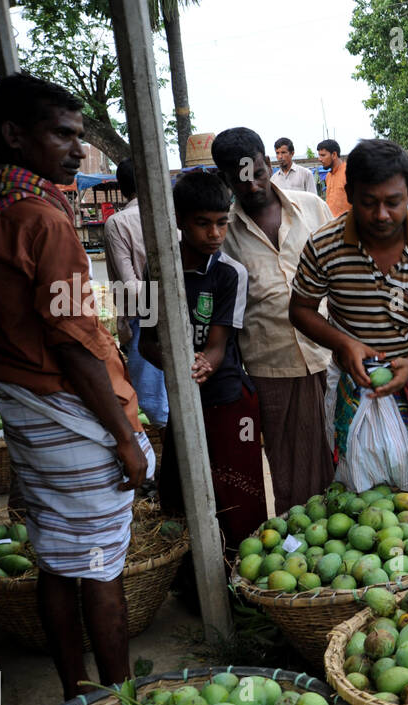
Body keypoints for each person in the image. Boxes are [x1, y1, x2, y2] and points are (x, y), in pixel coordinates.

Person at [0, 73, 151, 698]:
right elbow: (72, 340)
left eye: (78, 136)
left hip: (20, 405)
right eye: (62, 135)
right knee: (99, 564)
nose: (77, 150)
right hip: (65, 411)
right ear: (13, 134)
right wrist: (125, 436)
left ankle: (72, 687)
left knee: (56, 556)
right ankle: (119, 696)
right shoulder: (40, 219)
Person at [288, 139, 408, 490]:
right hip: (352, 386)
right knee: (359, 490)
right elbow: (300, 309)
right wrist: (344, 344)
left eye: (393, 202)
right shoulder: (324, 245)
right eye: (369, 203)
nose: (382, 214)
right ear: (351, 194)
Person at [139, 170, 264, 554]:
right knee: (179, 494)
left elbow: (218, 346)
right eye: (203, 223)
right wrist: (179, 368)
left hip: (229, 399)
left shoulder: (231, 273)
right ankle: (188, 577)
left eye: (222, 223)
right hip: (184, 399)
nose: (215, 234)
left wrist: (199, 366)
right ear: (178, 221)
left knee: (239, 497)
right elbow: (145, 342)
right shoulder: (154, 270)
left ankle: (239, 579)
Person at [212, 127, 337, 513]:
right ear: (227, 179)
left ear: (270, 163)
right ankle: (298, 544)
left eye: (259, 174)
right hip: (272, 369)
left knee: (343, 457)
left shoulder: (311, 208)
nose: (252, 187)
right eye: (240, 180)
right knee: (290, 472)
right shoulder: (224, 232)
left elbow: (343, 273)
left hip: (331, 356)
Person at [105, 158, 167, 428]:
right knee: (167, 397)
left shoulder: (117, 223)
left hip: (144, 317)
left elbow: (129, 283)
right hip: (169, 313)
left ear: (121, 187)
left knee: (154, 403)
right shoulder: (166, 215)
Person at [317, 138, 349, 218]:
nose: (319, 159)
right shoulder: (328, 176)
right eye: (319, 155)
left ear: (334, 155)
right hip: (331, 225)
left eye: (323, 155)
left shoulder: (350, 173)